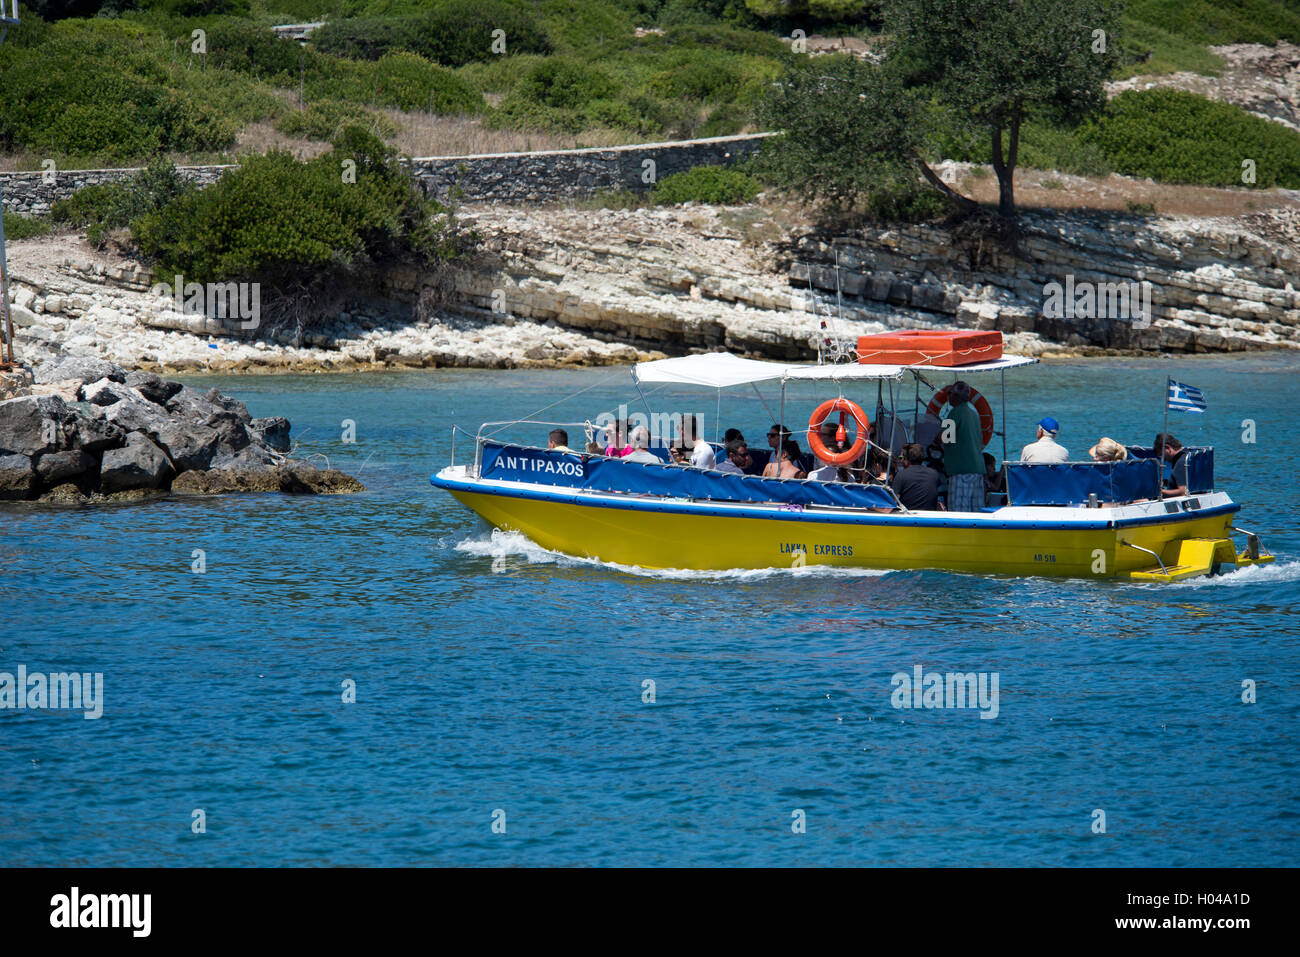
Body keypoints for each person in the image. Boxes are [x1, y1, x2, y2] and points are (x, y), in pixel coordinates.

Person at [940, 380, 987, 512]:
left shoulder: (954, 413)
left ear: (955, 396)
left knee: (959, 511)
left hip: (961, 471)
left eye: (950, 393)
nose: (948, 396)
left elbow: (944, 438)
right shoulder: (974, 414)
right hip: (977, 470)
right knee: (976, 512)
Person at [891, 443, 941, 510]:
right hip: (930, 518)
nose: (900, 461)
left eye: (901, 458)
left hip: (909, 517)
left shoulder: (901, 475)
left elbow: (893, 502)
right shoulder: (934, 474)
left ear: (906, 460)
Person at [1154, 433, 1187, 497]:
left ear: (1168, 448)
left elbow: (1183, 492)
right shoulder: (1187, 456)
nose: (1163, 459)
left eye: (1161, 454)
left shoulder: (1180, 462)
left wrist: (1158, 491)